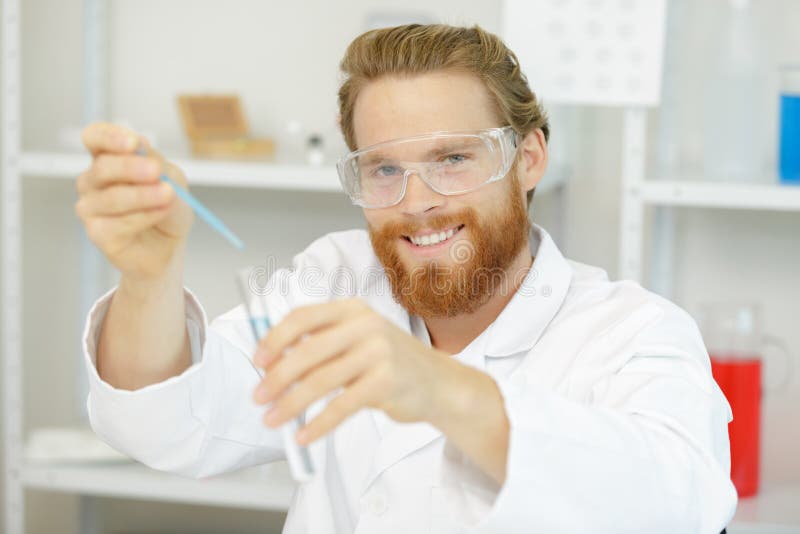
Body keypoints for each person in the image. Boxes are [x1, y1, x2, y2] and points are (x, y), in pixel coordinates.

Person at [75, 24, 736, 533]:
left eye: (452, 158)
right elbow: (173, 424)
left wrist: (440, 389)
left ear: (529, 158)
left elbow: (681, 506)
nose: (417, 201)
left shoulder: (629, 332)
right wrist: (149, 278)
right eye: (384, 170)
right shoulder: (334, 279)